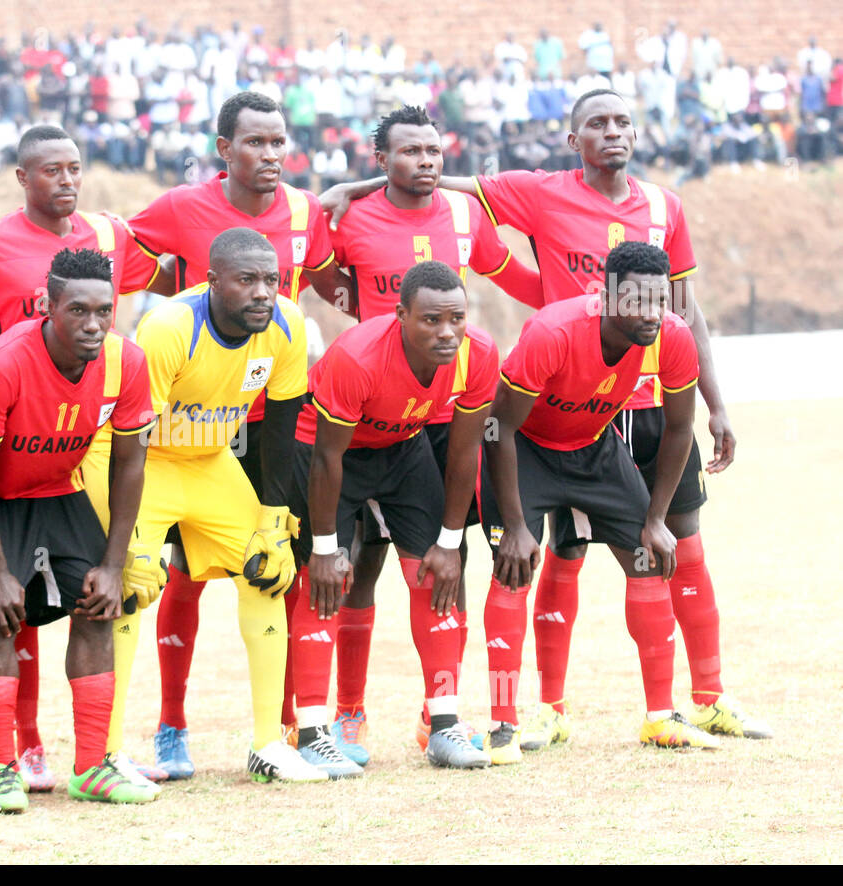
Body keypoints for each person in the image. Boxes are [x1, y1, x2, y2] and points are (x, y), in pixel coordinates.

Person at [324, 88, 765, 747]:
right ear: (573, 138)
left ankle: (700, 698)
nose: (612, 131)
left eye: (623, 120)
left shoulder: (661, 213)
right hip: (506, 405)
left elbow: (674, 305)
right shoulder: (533, 194)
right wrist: (356, 186)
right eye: (597, 123)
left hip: (625, 408)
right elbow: (407, 198)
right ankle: (493, 711)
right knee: (462, 557)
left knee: (671, 547)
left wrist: (715, 402)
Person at [124, 90, 344, 779]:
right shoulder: (179, 212)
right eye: (256, 143)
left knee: (273, 564)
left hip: (252, 418)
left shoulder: (306, 218)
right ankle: (166, 728)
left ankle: (284, 735)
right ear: (224, 149)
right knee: (164, 580)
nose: (272, 155)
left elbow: (339, 283)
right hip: (170, 423)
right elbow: (122, 258)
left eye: (280, 142)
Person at [314, 104, 542, 765]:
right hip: (368, 406)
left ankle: (436, 712)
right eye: (410, 151)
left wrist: (567, 299)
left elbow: (509, 273)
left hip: (449, 417)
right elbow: (326, 279)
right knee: (357, 566)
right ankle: (348, 712)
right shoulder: (352, 218)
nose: (427, 161)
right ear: (381, 159)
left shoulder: (466, 215)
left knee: (447, 559)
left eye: (435, 150)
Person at [0, 124, 166, 792]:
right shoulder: (4, 361)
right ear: (48, 306)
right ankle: (2, 770)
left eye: (105, 310)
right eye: (80, 311)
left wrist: (111, 560)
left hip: (57, 490)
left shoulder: (126, 363)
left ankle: (94, 765)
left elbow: (130, 461)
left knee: (102, 600)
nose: (94, 323)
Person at [92, 227, 325, 784]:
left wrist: (274, 519)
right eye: (246, 281)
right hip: (136, 460)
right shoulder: (170, 326)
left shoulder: (287, 323)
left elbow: (283, 426)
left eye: (270, 279)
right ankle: (106, 755)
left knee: (271, 569)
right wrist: (125, 543)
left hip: (209, 459)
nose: (262, 293)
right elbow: (129, 433)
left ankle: (269, 744)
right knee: (130, 585)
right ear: (212, 280)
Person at [479, 241, 721, 758]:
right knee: (512, 571)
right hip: (526, 451)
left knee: (648, 560)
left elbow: (680, 430)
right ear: (607, 295)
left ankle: (660, 717)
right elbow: (497, 428)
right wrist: (516, 526)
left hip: (595, 448)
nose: (651, 313)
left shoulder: (672, 338)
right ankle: (504, 725)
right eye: (637, 300)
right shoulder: (553, 332)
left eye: (660, 301)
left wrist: (656, 519)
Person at [290, 261, 497, 772]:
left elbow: (464, 452)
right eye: (431, 320)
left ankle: (444, 725)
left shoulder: (480, 355)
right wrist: (323, 551)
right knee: (326, 582)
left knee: (436, 572)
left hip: (404, 447)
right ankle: (313, 732)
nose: (446, 331)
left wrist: (451, 539)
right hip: (326, 452)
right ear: (401, 315)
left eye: (456, 317)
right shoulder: (358, 356)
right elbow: (327, 459)